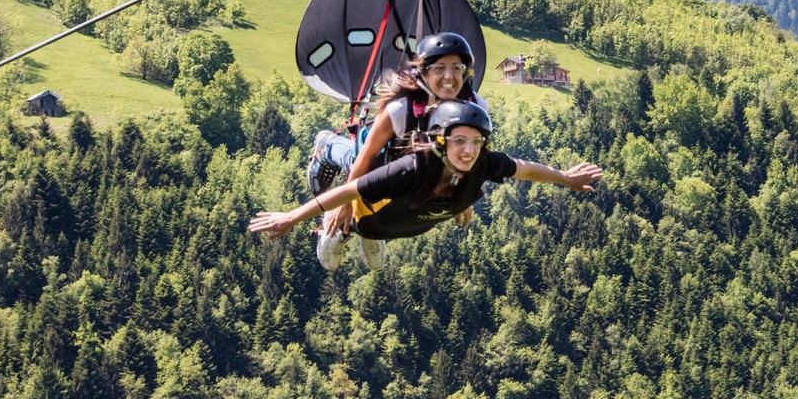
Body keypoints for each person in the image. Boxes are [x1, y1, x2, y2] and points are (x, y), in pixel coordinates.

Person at [250, 101, 602, 271]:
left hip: (405, 220)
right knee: (360, 180)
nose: (469, 150)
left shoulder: (480, 163)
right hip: (373, 211)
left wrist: (566, 179)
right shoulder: (411, 169)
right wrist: (292, 218)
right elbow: (349, 189)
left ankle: (371, 235)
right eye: (460, 141)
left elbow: (524, 169)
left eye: (477, 142)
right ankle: (329, 148)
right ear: (441, 141)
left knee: (380, 239)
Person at [306, 31, 488, 234]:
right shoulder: (401, 109)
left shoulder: (476, 107)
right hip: (381, 155)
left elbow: (473, 156)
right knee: (354, 160)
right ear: (424, 73)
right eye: (439, 68)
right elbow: (367, 155)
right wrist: (345, 203)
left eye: (456, 68)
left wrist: (462, 199)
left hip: (409, 168)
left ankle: (368, 232)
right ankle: (328, 145)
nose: (449, 76)